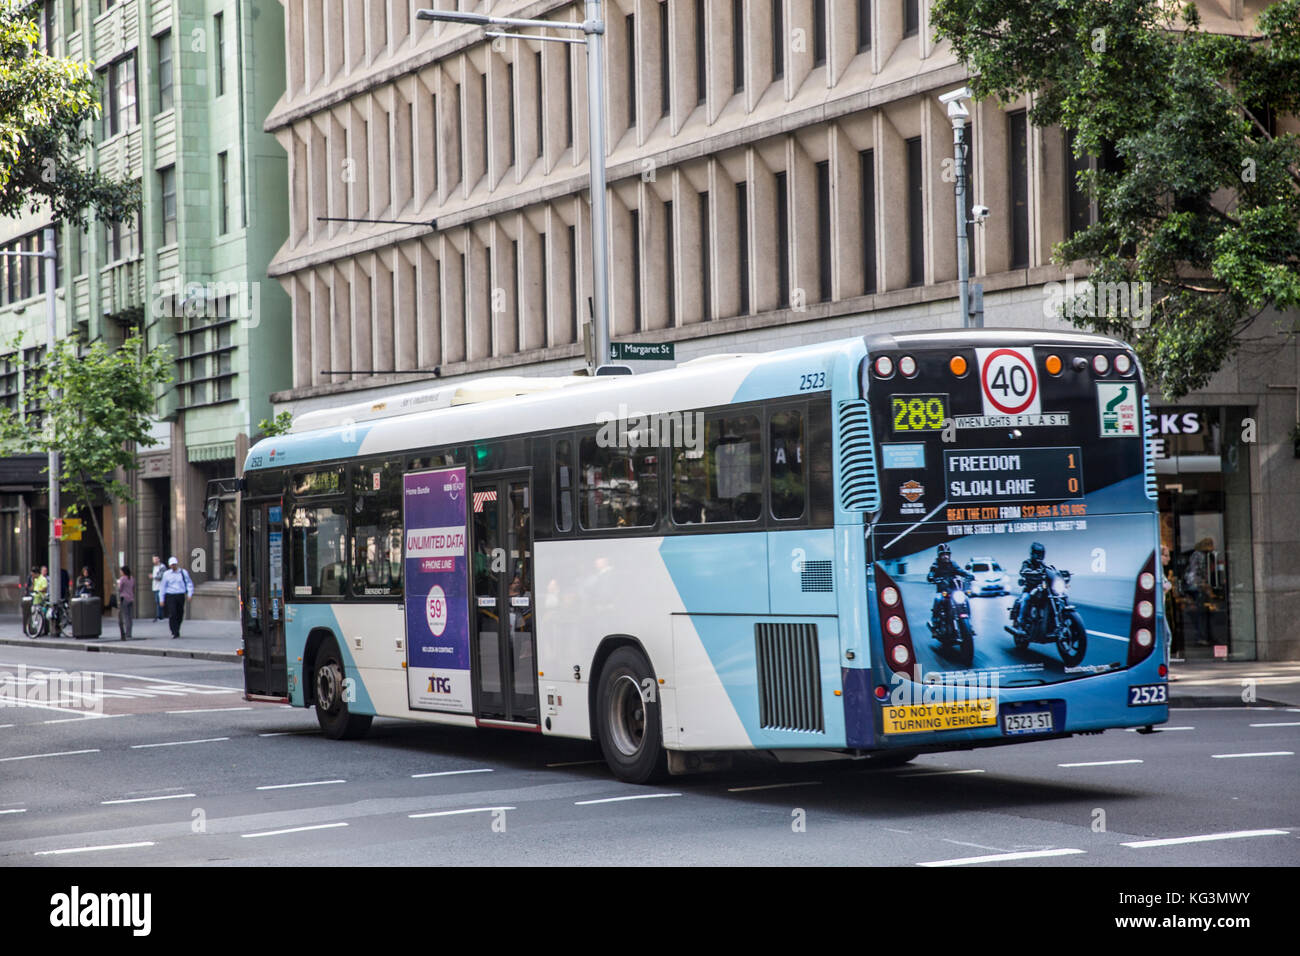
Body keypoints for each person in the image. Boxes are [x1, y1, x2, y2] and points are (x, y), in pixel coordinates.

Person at [926, 543, 974, 628]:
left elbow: (960, 571)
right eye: (943, 554)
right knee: (938, 599)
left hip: (954, 589)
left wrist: (969, 575)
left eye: (947, 554)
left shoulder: (953, 564)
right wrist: (931, 577)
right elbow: (931, 573)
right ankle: (935, 621)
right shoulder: (936, 565)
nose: (945, 556)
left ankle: (968, 623)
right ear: (939, 555)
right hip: (943, 590)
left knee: (965, 599)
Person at [1011, 541, 1050, 632]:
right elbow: (1024, 570)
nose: (1039, 556)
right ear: (1032, 553)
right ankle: (1021, 623)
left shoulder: (1042, 565)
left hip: (1041, 590)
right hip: (1029, 590)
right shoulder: (1027, 563)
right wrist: (1029, 572)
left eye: (1041, 554)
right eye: (1037, 554)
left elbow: (1049, 571)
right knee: (1025, 599)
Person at [159, 556, 194, 639]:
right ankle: (174, 631)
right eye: (171, 565)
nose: (173, 566)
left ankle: (177, 628)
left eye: (174, 564)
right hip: (170, 595)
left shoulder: (183, 572)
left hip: (180, 594)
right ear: (169, 565)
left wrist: (189, 594)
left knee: (180, 613)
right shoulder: (166, 574)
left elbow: (189, 583)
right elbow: (163, 586)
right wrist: (161, 599)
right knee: (172, 613)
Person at [117, 566, 135, 641]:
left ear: (123, 571)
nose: (120, 572)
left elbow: (119, 589)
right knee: (130, 617)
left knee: (126, 616)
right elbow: (133, 587)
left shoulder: (122, 579)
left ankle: (127, 633)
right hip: (131, 598)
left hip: (124, 598)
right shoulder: (131, 578)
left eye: (121, 571)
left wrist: (117, 584)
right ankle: (129, 632)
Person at [150, 554, 165, 621]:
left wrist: (153, 577)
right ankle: (159, 615)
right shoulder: (154, 567)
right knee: (157, 601)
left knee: (159, 601)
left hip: (160, 587)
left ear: (158, 559)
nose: (154, 561)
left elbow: (160, 577)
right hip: (155, 587)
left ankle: (159, 616)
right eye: (153, 559)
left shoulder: (162, 567)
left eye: (155, 559)